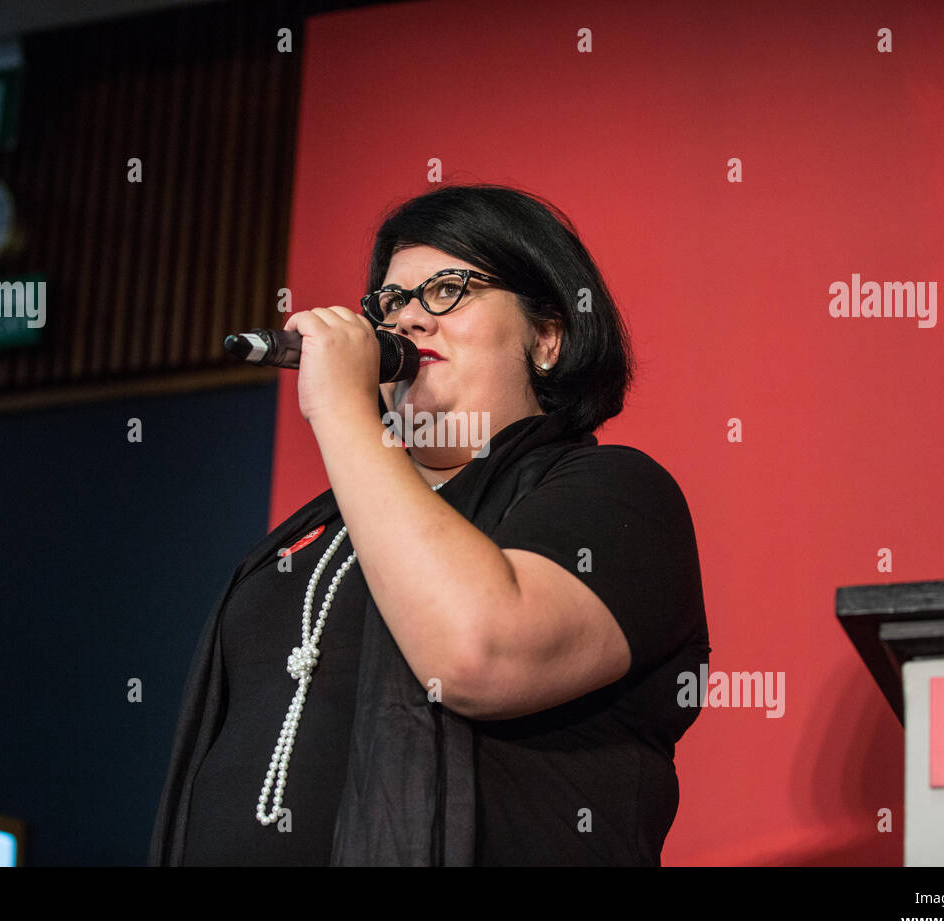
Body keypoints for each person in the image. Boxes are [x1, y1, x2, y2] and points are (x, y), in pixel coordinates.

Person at [150, 184, 710, 866]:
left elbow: (479, 652)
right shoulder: (320, 533)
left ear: (549, 337)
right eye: (391, 303)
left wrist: (340, 411)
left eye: (447, 290)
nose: (407, 323)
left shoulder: (616, 492)